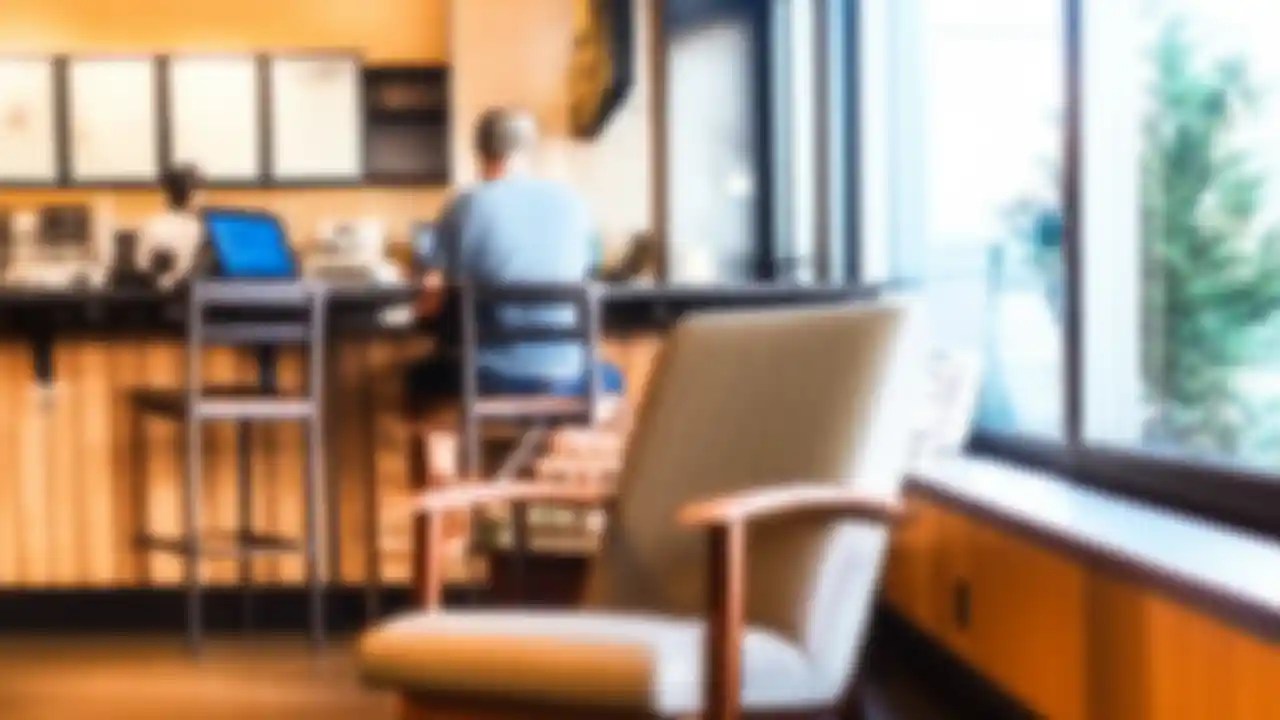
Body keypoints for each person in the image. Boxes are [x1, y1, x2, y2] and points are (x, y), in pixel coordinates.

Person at [408, 107, 619, 418]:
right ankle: (556, 454)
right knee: (612, 379)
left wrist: (419, 309)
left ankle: (449, 466)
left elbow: (432, 298)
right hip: (570, 377)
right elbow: (591, 271)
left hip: (487, 378)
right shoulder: (573, 202)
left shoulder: (466, 205)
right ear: (531, 151)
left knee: (418, 381)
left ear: (480, 153)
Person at [140, 164, 205, 289]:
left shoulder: (151, 223)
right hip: (186, 293)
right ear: (193, 195)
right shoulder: (198, 227)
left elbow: (142, 265)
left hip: (153, 294)